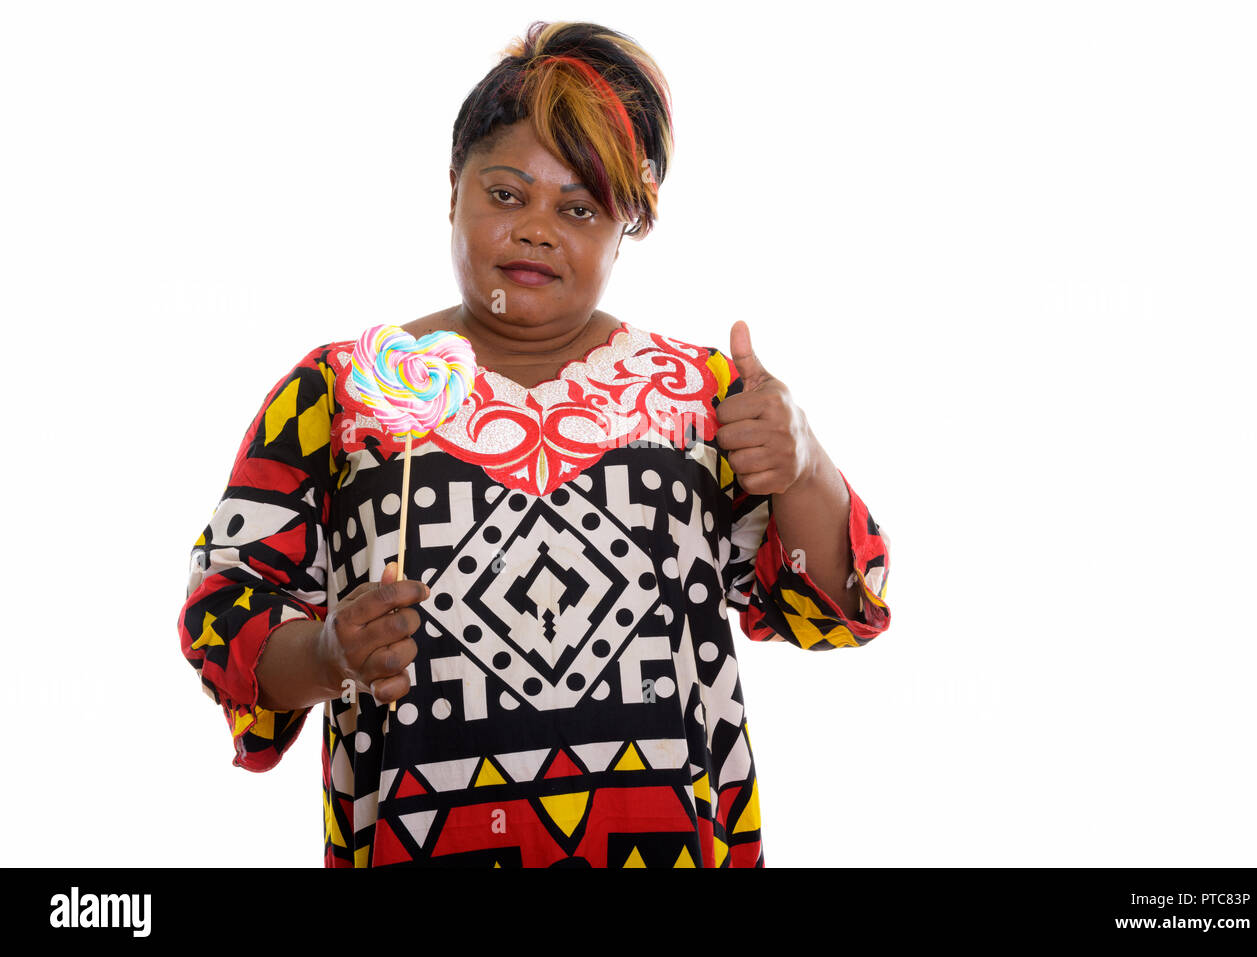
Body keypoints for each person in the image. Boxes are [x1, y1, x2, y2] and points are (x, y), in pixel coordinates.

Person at [178, 20, 891, 868]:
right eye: (507, 195)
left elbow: (841, 607)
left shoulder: (703, 394)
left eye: (579, 207)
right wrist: (331, 652)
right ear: (454, 189)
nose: (536, 229)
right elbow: (225, 616)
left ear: (627, 223)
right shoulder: (339, 391)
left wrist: (802, 464)